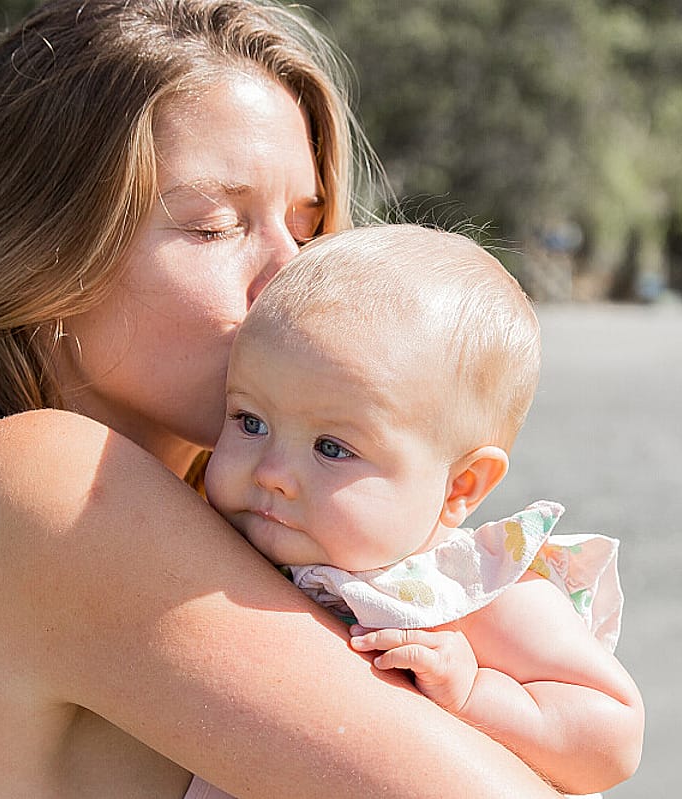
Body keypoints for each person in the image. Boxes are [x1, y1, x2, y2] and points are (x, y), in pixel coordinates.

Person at [0, 1, 569, 796]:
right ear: (30, 252)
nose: (291, 278)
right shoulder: (39, 484)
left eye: (307, 229)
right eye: (214, 226)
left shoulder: (5, 503)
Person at [204, 224, 645, 795]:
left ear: (460, 486)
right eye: (250, 421)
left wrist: (474, 692)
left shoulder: (469, 591)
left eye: (332, 449)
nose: (271, 474)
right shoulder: (219, 538)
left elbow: (613, 735)